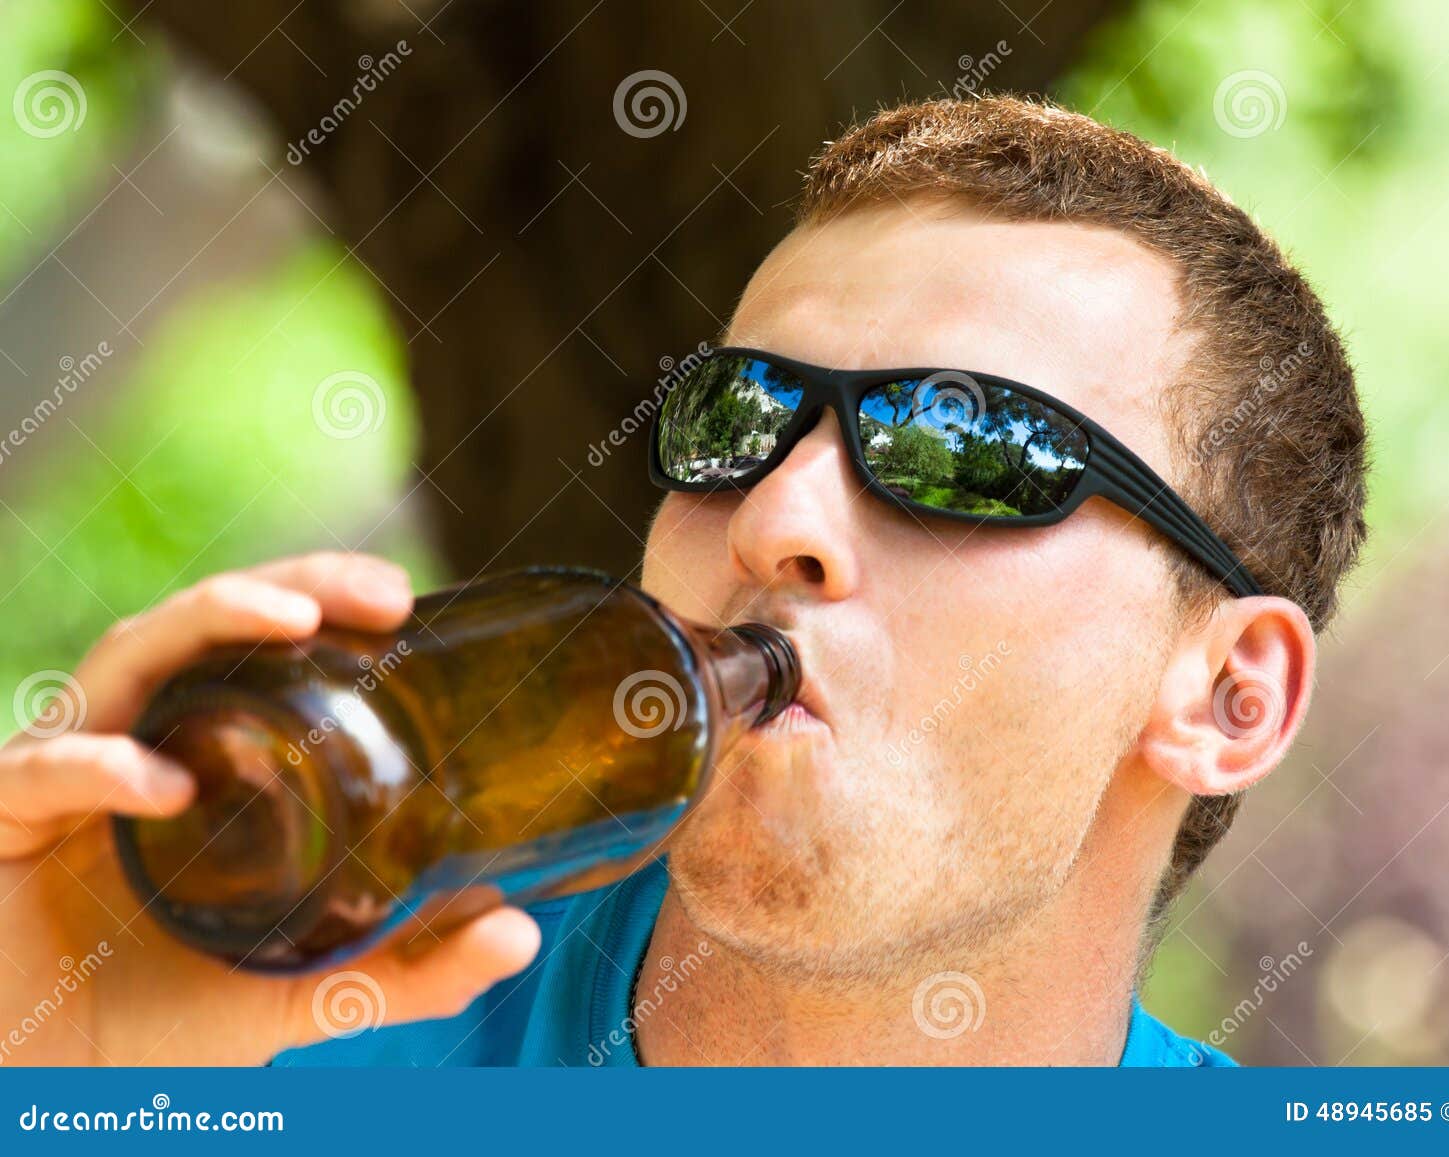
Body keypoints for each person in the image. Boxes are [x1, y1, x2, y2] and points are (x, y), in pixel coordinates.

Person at [0, 96, 1366, 1067]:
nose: (775, 514)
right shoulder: (252, 1045)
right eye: (736, 416)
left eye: (963, 448)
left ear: (1229, 693)